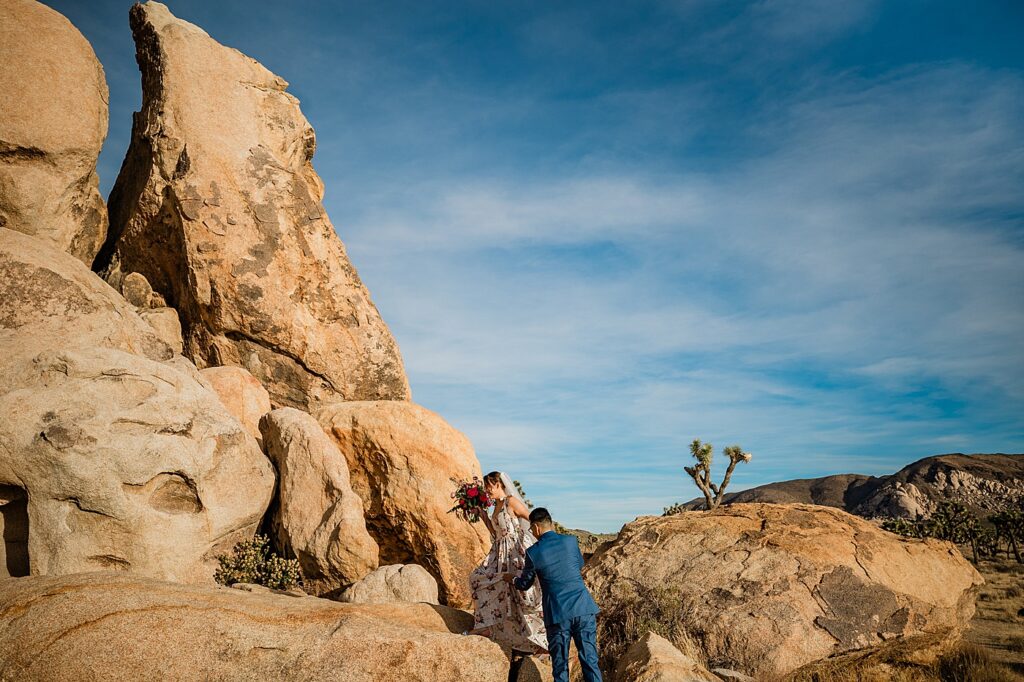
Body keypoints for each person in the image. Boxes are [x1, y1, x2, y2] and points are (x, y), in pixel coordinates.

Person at [504, 507, 602, 682]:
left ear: (536, 528)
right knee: (590, 661)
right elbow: (578, 565)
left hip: (558, 614)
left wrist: (511, 579)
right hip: (583, 608)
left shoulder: (533, 552)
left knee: (560, 666)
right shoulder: (571, 541)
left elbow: (524, 584)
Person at [468, 471, 547, 654]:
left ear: (498, 484)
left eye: (489, 486)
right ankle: (488, 626)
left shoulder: (510, 501)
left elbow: (532, 520)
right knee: (478, 579)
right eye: (485, 487)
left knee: (523, 594)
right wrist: (483, 516)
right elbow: (495, 533)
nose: (487, 490)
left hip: (515, 551)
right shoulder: (495, 506)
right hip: (499, 553)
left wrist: (541, 543)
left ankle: (542, 640)